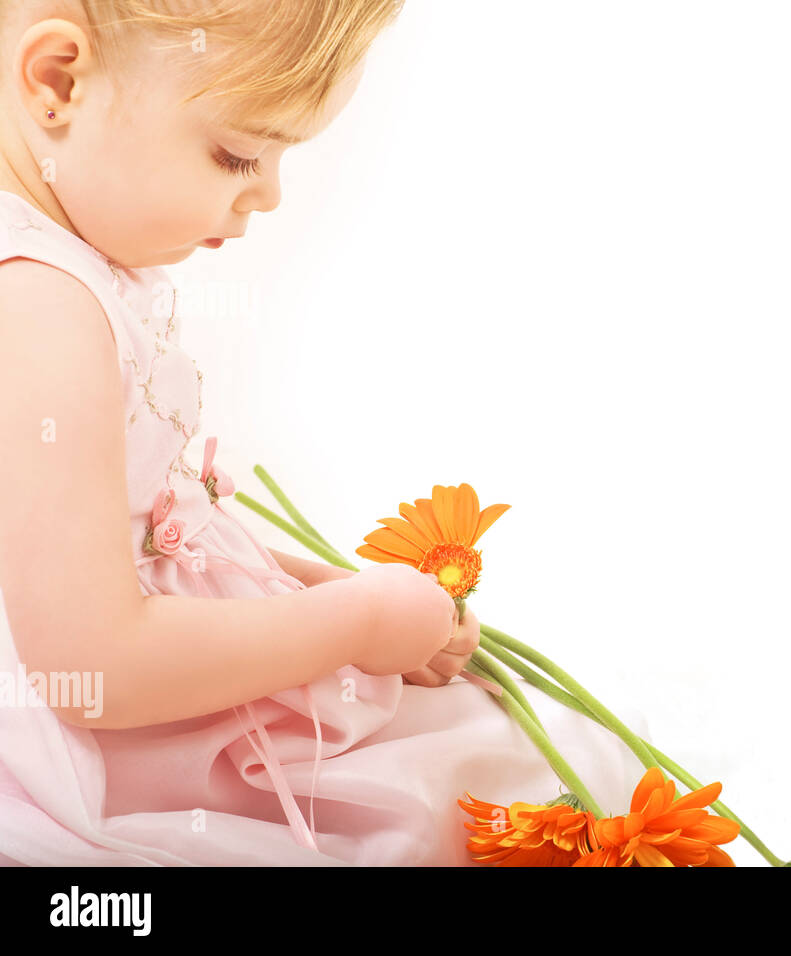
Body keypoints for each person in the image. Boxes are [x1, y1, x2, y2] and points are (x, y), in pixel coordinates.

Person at [0, 0, 649, 866]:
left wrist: (333, 592)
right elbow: (99, 666)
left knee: (568, 756)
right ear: (57, 82)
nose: (267, 193)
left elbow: (157, 542)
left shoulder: (69, 274)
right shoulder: (40, 308)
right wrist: (352, 622)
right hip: (118, 754)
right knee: (539, 783)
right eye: (239, 152)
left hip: (160, 699)